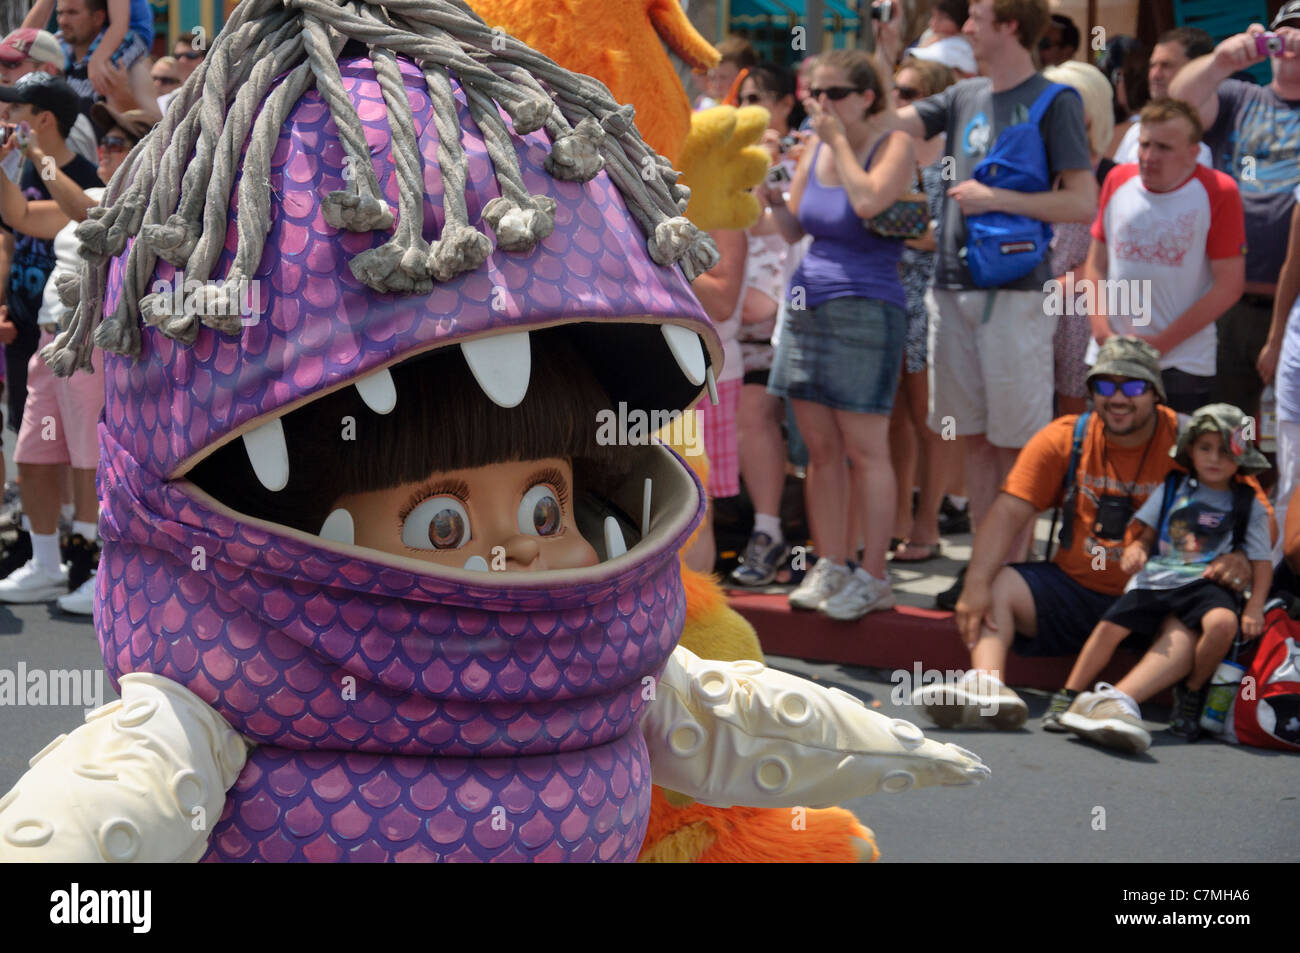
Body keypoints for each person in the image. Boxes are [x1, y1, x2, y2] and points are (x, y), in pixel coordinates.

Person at [913, 337, 1264, 729]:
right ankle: (987, 688)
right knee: (998, 583)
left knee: (1190, 626)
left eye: (1132, 386)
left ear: (1156, 394)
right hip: (1076, 589)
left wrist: (1240, 558)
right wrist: (974, 583)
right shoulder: (1066, 435)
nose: (1118, 398)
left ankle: (1116, 703)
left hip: (1159, 596)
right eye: (1104, 386)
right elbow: (1009, 511)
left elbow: (1254, 508)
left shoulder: (1195, 440)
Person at [881, 0, 1096, 589]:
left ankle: (1010, 575)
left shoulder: (1057, 100)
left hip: (1015, 293)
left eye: (976, 18)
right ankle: (984, 566)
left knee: (1014, 444)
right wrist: (882, 49)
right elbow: (886, 119)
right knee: (973, 438)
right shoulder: (963, 95)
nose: (964, 28)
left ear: (1008, 26)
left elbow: (1082, 202)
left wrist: (998, 200)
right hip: (951, 291)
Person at [762, 49, 916, 619]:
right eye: (814, 95)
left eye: (834, 94)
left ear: (867, 96)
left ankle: (873, 574)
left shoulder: (891, 143)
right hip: (808, 302)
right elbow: (794, 224)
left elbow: (871, 200)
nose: (821, 105)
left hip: (867, 305)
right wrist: (768, 191)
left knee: (865, 449)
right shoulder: (820, 143)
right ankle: (831, 563)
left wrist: (840, 142)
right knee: (820, 451)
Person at [1054, 404, 1273, 753]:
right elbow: (1145, 532)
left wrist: (1255, 606)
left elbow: (1261, 561)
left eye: (1224, 450)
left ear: (1241, 455)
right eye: (1204, 448)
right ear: (1190, 450)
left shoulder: (1248, 503)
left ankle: (1192, 691)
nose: (1213, 458)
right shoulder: (1173, 486)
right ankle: (1068, 694)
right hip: (1160, 576)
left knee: (1222, 623)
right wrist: (1137, 549)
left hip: (1207, 582)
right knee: (1110, 625)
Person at [0, 106, 148, 611]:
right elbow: (19, 215)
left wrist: (37, 155)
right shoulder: (86, 194)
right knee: (36, 455)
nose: (103, 151)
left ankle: (95, 564)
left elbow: (88, 215)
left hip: (90, 345)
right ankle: (46, 562)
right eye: (102, 142)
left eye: (116, 144)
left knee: (89, 460)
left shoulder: (140, 197)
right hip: (51, 345)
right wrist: (4, 164)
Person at [1172, 3, 1300, 423]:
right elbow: (1176, 103)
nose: (1293, 43)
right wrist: (1221, 62)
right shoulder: (1239, 96)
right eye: (1286, 33)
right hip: (1229, 302)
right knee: (1222, 432)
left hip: (1295, 307)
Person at [1083, 98, 1246, 414]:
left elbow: (1229, 286)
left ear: (1193, 153)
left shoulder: (1219, 191)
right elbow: (1096, 264)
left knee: (1172, 459)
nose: (1149, 157)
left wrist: (1159, 345)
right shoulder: (1117, 179)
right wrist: (1103, 333)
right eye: (1144, 144)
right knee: (1104, 458)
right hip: (1109, 357)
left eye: (1163, 148)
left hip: (1181, 363)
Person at [731, 64, 804, 586]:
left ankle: (769, 531)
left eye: (758, 97)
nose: (748, 107)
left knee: (753, 409)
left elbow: (764, 301)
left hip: (784, 326)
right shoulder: (729, 163)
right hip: (734, 335)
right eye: (742, 97)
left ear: (784, 103)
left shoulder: (803, 159)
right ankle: (743, 526)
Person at [887, 55, 958, 563]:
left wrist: (890, 222)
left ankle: (929, 526)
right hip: (886, 294)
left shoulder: (956, 155)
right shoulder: (888, 148)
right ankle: (896, 521)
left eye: (909, 93)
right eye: (896, 90)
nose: (899, 101)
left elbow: (952, 236)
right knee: (891, 418)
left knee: (928, 419)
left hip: (933, 297)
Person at [1041, 60, 1115, 416]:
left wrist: (1063, 284)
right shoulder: (1037, 166)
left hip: (1081, 309)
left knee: (1072, 412)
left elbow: (1111, 255)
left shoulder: (1112, 175)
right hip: (1031, 303)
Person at [26, 0, 159, 120]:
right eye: (60, 13)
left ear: (98, 17)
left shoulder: (131, 67)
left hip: (132, 33)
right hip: (105, 34)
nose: (63, 21)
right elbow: (23, 41)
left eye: (72, 13)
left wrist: (96, 62)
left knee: (105, 75)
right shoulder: (62, 46)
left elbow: (120, 24)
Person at [1110, 27, 1214, 167]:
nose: (1155, 75)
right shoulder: (1136, 132)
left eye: (1166, 65)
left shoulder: (1225, 128)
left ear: (1198, 69)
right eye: (1152, 66)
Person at [0, 28, 99, 163]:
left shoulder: (68, 126)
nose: (2, 71)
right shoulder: (16, 120)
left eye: (12, 63)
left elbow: (72, 181)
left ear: (48, 70)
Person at [694, 35, 756, 111]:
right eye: (712, 78)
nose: (717, 85)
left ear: (745, 76)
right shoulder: (706, 106)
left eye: (723, 77)